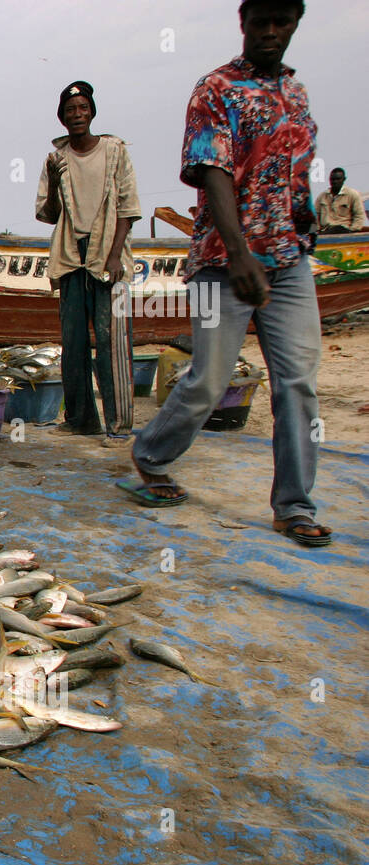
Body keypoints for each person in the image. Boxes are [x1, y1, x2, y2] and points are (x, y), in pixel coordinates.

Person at [122, 0, 331, 548]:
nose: (268, 31)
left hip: (289, 261)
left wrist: (302, 239)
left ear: (294, 25)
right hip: (223, 261)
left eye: (280, 22)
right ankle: (151, 454)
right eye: (259, 21)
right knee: (210, 380)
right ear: (243, 23)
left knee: (298, 383)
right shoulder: (215, 88)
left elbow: (296, 176)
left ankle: (294, 505)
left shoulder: (296, 92)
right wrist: (240, 254)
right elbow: (211, 170)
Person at [36, 80, 142, 447]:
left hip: (106, 258)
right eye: (70, 111)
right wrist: (52, 178)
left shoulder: (115, 151)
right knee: (74, 343)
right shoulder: (56, 159)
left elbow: (128, 210)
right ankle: (81, 420)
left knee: (112, 343)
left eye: (83, 109)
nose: (77, 115)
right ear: (62, 119)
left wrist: (114, 256)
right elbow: (48, 215)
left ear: (92, 112)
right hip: (69, 259)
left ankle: (120, 424)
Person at [315, 168, 366, 233]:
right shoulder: (322, 196)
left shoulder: (352, 194)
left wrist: (352, 231)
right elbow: (315, 216)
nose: (335, 181)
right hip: (325, 232)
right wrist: (318, 231)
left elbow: (359, 216)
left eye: (338, 179)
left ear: (344, 179)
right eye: (332, 179)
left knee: (338, 229)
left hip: (344, 231)